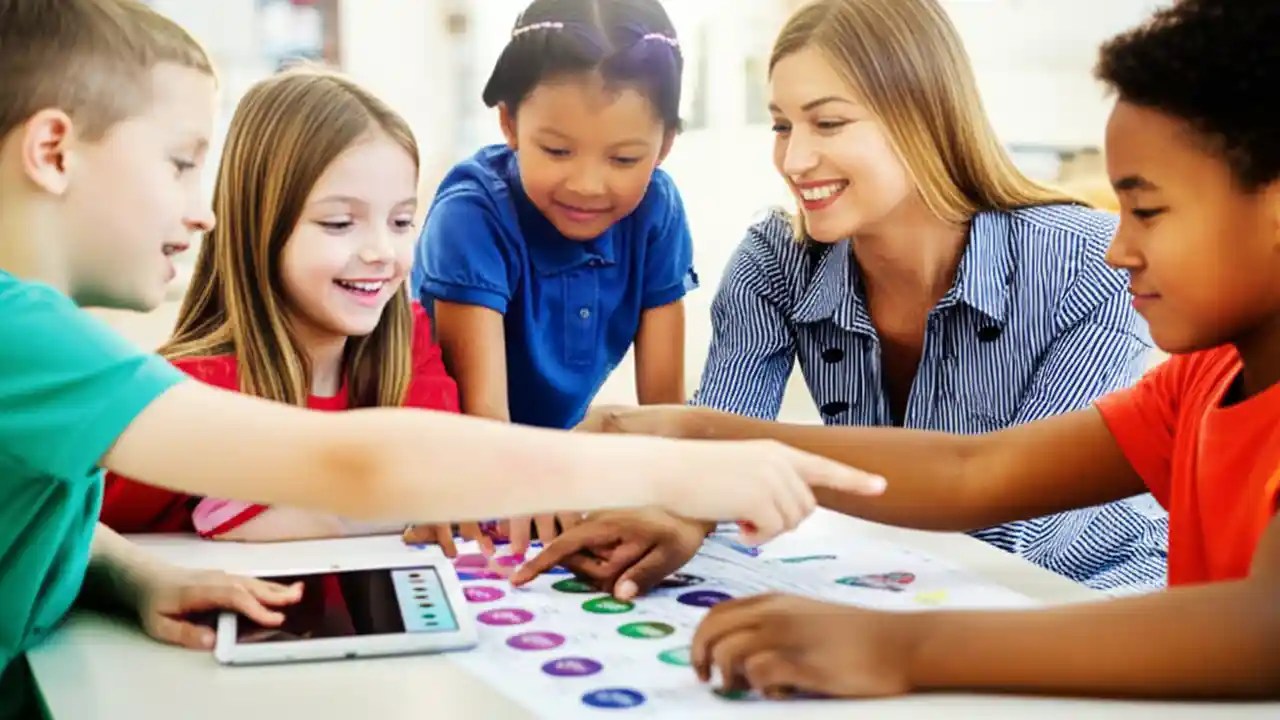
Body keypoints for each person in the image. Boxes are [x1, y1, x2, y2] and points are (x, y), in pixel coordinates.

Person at [0, 0, 885, 709]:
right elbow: (360, 460)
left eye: (397, 221)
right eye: (182, 163)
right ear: (52, 151)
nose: (201, 211)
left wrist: (125, 573)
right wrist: (683, 470)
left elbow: (56, 516)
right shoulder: (27, 337)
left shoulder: (36, 338)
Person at [519, 0, 1280, 700]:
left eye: (1145, 210)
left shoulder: (1079, 268)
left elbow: (1256, 629)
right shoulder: (1201, 384)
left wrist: (897, 646)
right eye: (783, 125)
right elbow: (973, 471)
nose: (1120, 248)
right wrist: (690, 466)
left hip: (1085, 610)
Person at [100, 67, 463, 548]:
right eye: (338, 223)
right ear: (259, 229)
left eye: (401, 221)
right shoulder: (192, 390)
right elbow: (72, 529)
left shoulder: (409, 338)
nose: (382, 251)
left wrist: (315, 516)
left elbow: (444, 481)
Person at [411, 0, 698, 554]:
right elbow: (486, 426)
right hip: (451, 468)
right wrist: (542, 482)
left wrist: (666, 505)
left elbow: (665, 415)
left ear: (664, 146)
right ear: (509, 122)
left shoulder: (657, 210)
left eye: (623, 160)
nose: (588, 185)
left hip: (546, 466)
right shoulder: (471, 216)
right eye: (558, 150)